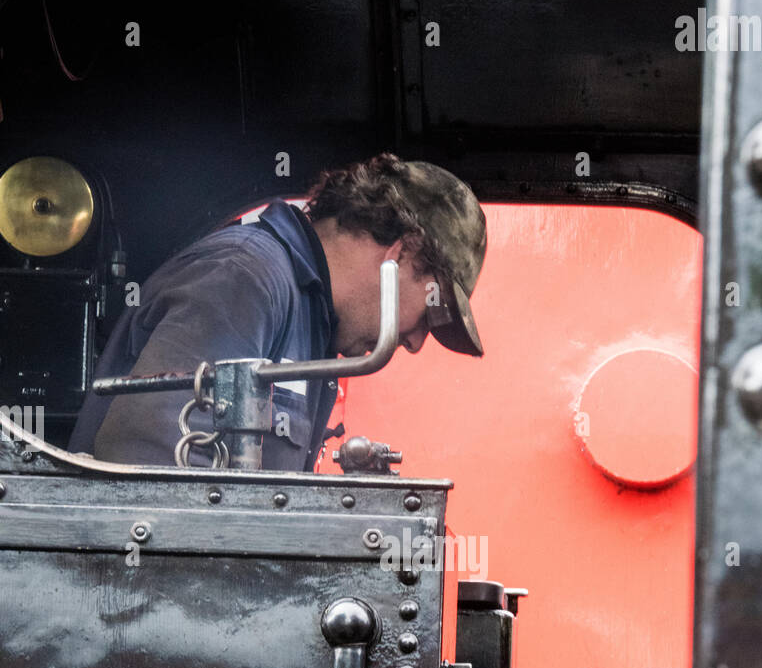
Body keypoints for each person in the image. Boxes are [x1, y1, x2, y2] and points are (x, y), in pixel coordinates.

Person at [69, 153, 487, 470]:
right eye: (433, 313)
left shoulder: (312, 322)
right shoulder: (245, 278)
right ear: (402, 251)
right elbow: (152, 479)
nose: (415, 341)